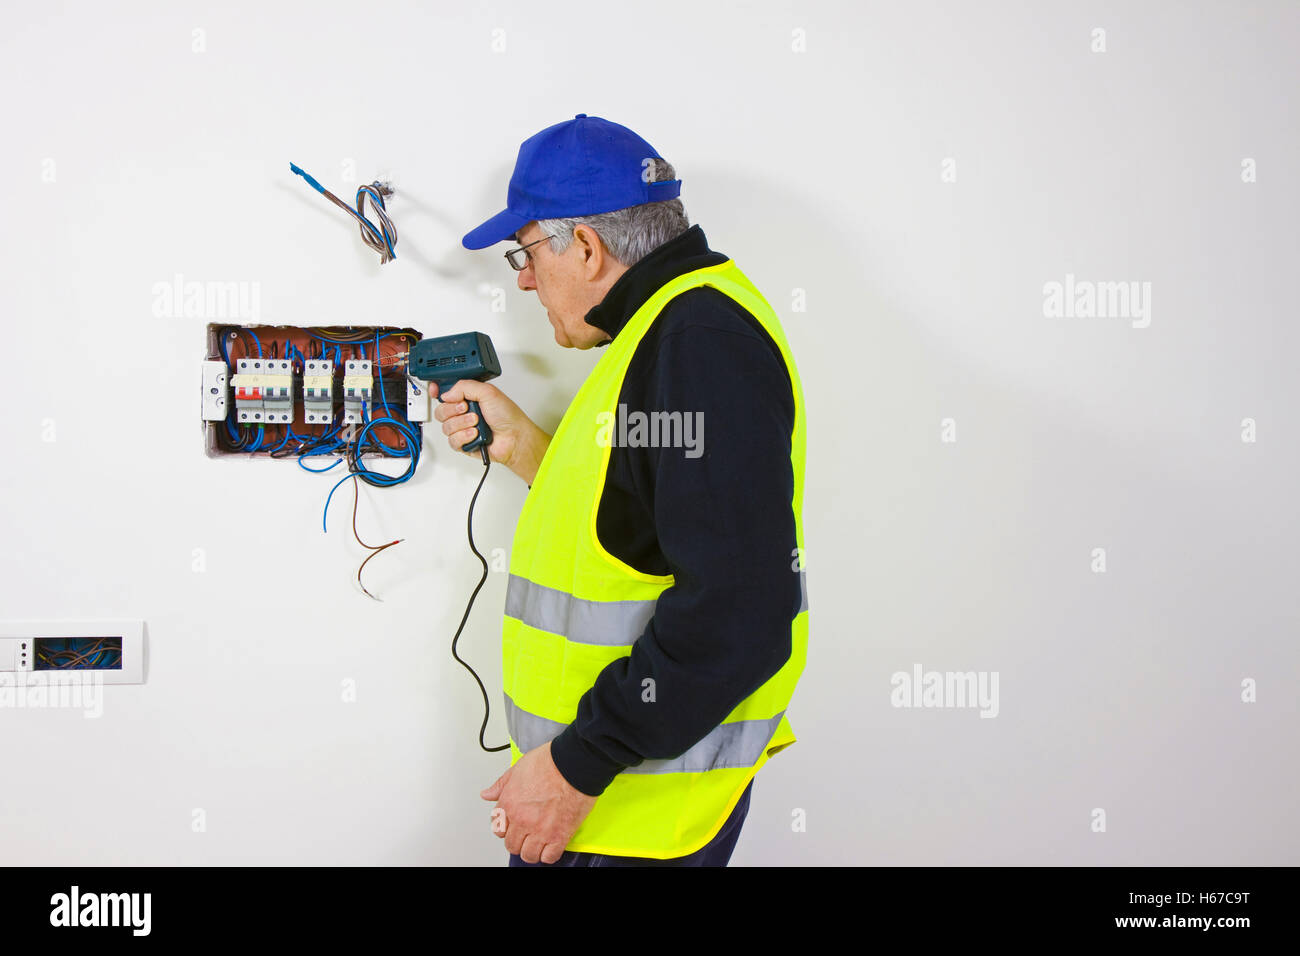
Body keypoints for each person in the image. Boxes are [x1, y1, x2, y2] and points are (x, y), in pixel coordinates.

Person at [436, 114, 809, 866]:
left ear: (585, 246)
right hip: (618, 799)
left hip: (623, 805)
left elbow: (743, 610)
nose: (525, 278)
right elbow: (646, 518)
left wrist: (575, 768)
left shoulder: (698, 343)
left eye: (526, 251)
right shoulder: (666, 333)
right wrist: (529, 450)